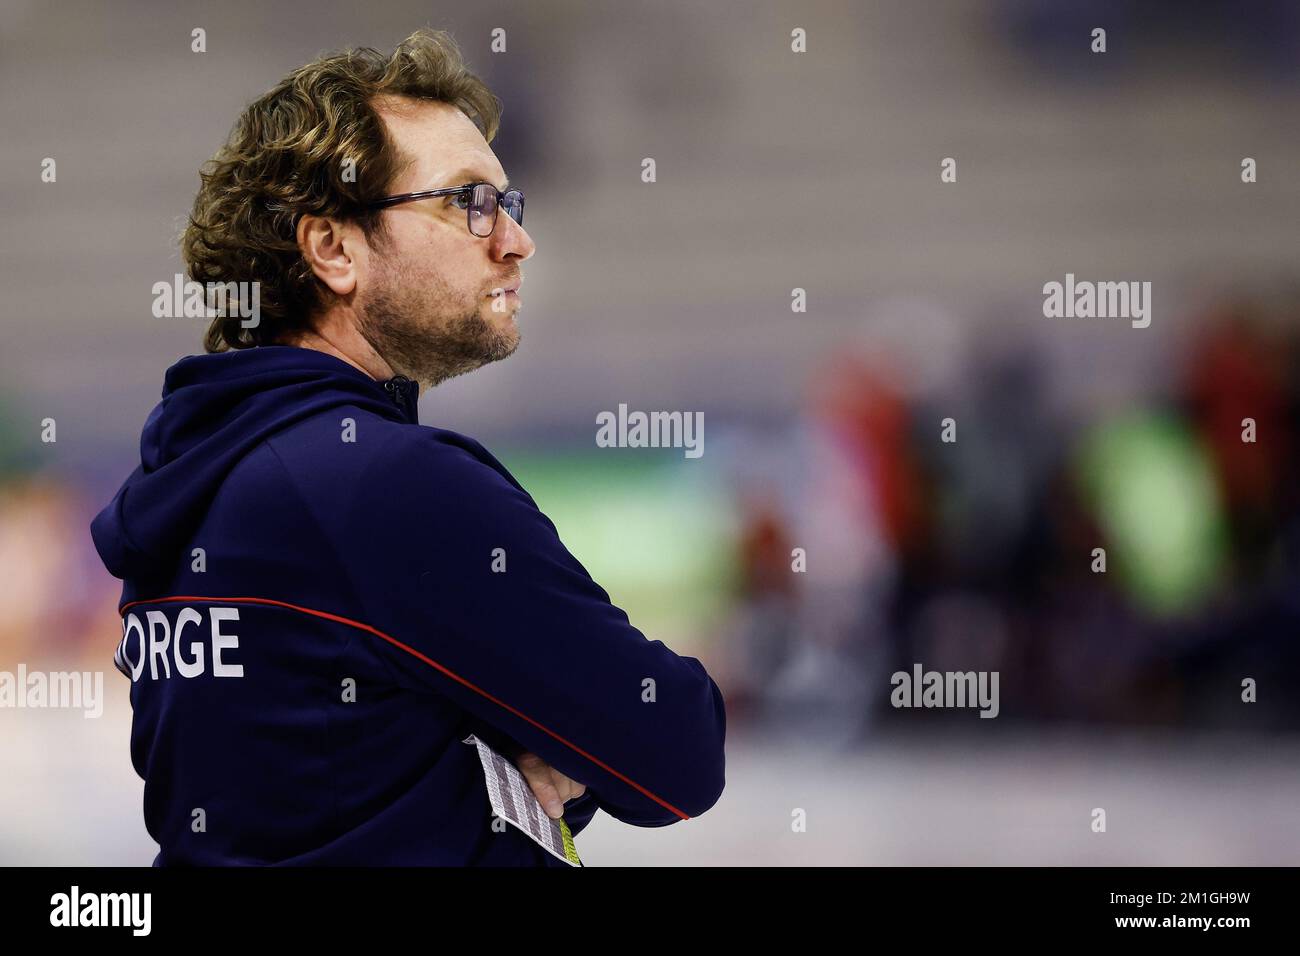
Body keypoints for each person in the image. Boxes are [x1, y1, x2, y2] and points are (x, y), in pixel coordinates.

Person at [89, 29, 726, 866]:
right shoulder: (387, 484)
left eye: (510, 202)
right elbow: (677, 752)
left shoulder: (192, 480)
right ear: (333, 249)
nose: (514, 240)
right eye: (468, 201)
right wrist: (535, 745)